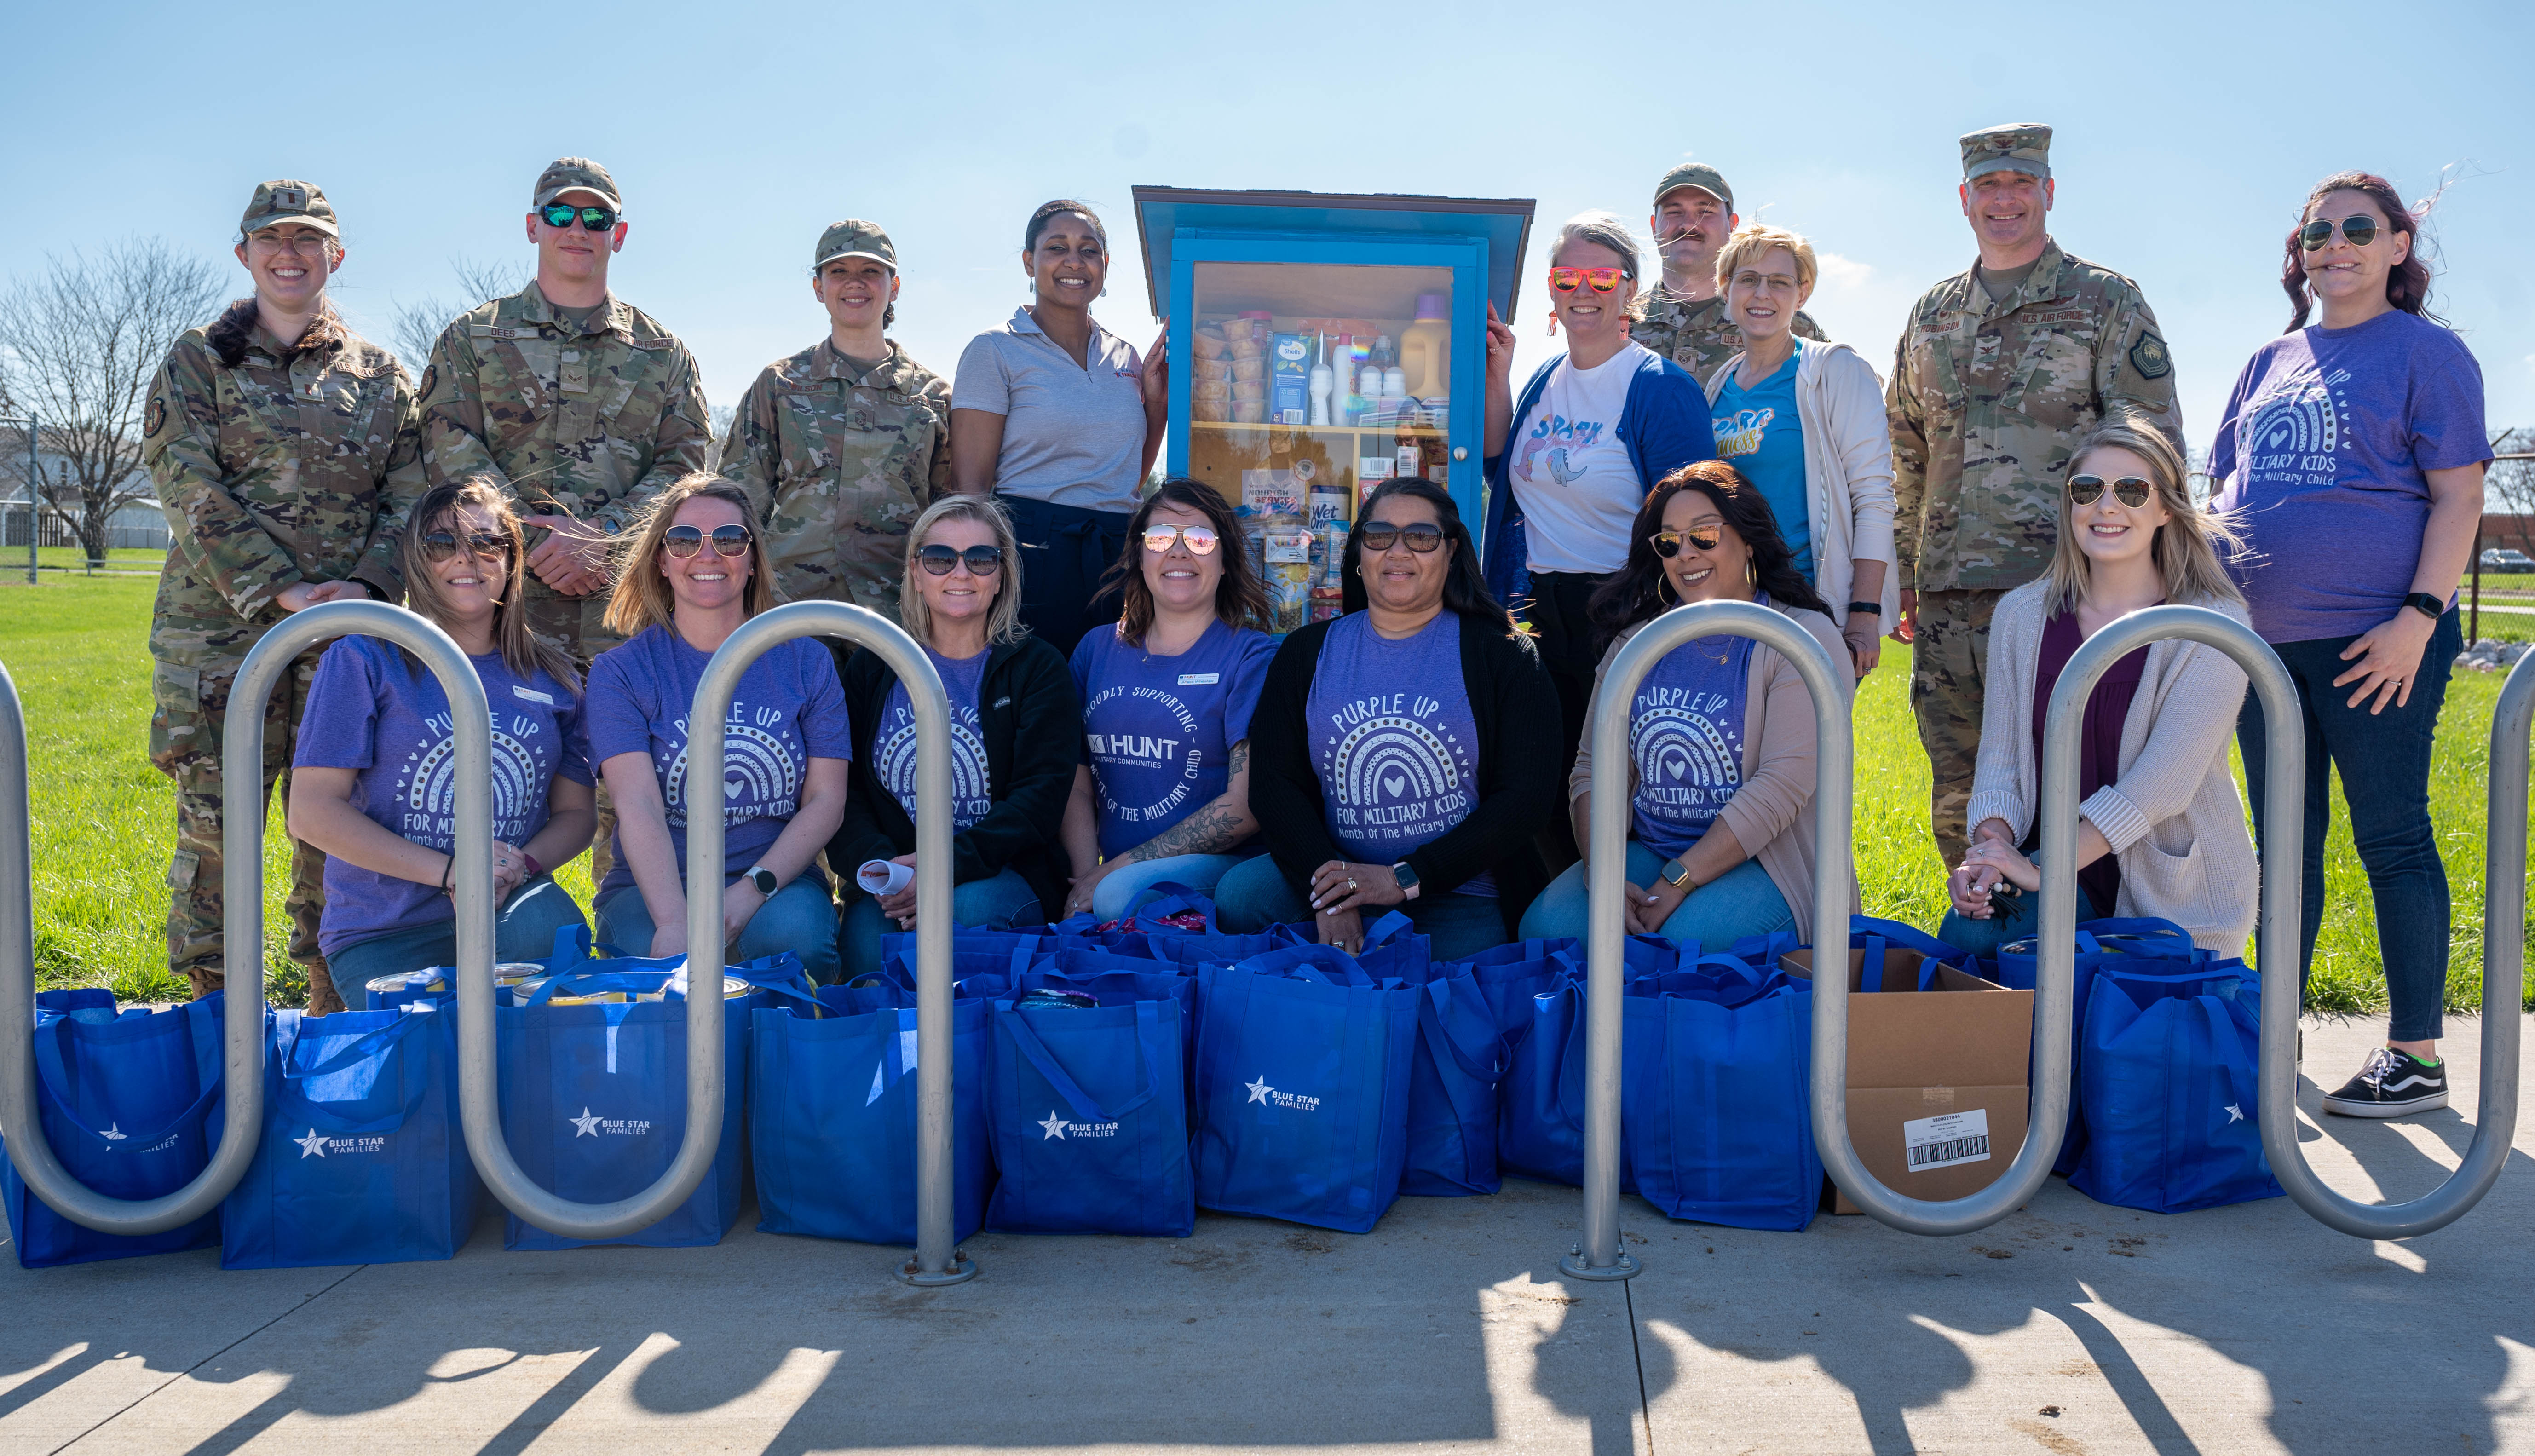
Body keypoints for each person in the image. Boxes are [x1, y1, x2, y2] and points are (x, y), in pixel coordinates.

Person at [2213, 171, 2492, 1118]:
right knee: (2282, 845)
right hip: (2262, 649)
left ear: (2397, 246)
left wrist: (2417, 617)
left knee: (2392, 835)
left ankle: (2415, 1055)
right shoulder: (2266, 362)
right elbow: (2221, 493)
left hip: (2378, 644)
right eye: (2316, 232)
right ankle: (2273, 1028)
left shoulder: (2427, 354)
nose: (2335, 244)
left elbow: (2458, 495)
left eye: (2357, 229)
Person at [142, 178, 421, 1011]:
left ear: (336, 256)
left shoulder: (379, 377)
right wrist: (281, 588)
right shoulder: (199, 360)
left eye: (309, 240)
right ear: (244, 255)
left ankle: (333, 1019)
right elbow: (184, 480)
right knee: (218, 834)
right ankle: (215, 1023)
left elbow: (410, 496)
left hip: (346, 642)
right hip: (222, 639)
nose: (290, 254)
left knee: (338, 841)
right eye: (273, 240)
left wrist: (366, 588)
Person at [1887, 123, 2183, 869]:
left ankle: (2076, 962)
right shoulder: (1932, 315)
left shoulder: (2103, 302)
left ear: (2048, 193)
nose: (2005, 199)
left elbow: (2150, 444)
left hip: (2067, 597)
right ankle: (1984, 954)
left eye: (2022, 183)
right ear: (1965, 199)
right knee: (1960, 797)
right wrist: (1900, 574)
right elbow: (1905, 452)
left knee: (2072, 787)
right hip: (1951, 602)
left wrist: (2128, 580)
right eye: (1989, 186)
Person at [1936, 417, 2256, 960]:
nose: (2106, 506)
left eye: (2131, 490)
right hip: (2053, 876)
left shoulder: (2213, 625)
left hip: (2162, 889)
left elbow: (2161, 785)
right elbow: (2000, 761)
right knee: (1970, 935)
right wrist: (1992, 853)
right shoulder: (2022, 614)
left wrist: (2042, 866)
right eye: (2087, 490)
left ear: (2164, 510)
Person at [1219, 479, 1562, 961]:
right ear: (1360, 553)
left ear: (1451, 552)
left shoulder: (1504, 656)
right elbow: (1275, 785)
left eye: (1421, 537)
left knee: (1442, 1013)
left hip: (1458, 890)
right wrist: (1331, 891)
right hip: (1338, 875)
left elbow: (1526, 798)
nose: (1397, 551)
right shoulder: (1305, 653)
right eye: (1379, 535)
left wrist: (1405, 878)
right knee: (1241, 895)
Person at [1520, 462, 1856, 947]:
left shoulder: (1802, 636)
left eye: (1703, 535)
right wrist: (1604, 873)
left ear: (1747, 539)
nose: (1685, 554)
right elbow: (1594, 769)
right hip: (1652, 849)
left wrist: (1678, 880)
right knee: (1547, 931)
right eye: (1668, 542)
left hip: (1766, 863)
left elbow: (1780, 787)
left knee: (1681, 942)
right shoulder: (1636, 642)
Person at [288, 481, 596, 992]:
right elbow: (313, 810)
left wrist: (517, 869)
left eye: (487, 543)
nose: (466, 559)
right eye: (442, 544)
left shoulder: (555, 677)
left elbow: (576, 815)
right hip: (387, 931)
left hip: (507, 914)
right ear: (416, 559)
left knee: (549, 929)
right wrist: (454, 871)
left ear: (512, 560)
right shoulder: (365, 659)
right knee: (431, 1064)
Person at [415, 157, 714, 663]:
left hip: (623, 615)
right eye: (560, 215)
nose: (578, 229)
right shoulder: (473, 338)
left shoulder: (661, 352)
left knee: (623, 742)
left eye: (595, 219)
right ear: (533, 227)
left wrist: (604, 536)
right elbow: (448, 449)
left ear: (617, 236)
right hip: (497, 611)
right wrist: (533, 540)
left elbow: (683, 469)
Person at [1480, 211, 1716, 820]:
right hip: (1536, 613)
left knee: (1617, 788)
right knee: (1542, 783)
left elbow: (1697, 523)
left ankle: (1622, 907)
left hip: (1625, 614)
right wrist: (1499, 378)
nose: (1582, 290)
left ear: (1629, 291)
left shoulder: (1658, 386)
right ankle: (1551, 912)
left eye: (1601, 278)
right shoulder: (1540, 380)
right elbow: (1502, 474)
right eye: (1566, 276)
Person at [585, 477, 849, 985]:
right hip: (656, 885)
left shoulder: (806, 661)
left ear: (752, 559)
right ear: (662, 560)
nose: (708, 556)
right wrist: (673, 920)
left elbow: (825, 802)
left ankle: (783, 1063)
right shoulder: (621, 672)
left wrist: (749, 893)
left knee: (794, 940)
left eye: (729, 540)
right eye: (685, 541)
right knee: (653, 961)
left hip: (776, 881)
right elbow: (636, 803)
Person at [830, 496, 1081, 981]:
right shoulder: (874, 665)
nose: (961, 574)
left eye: (981, 559)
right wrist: (887, 873)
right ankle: (890, 1059)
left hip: (1000, 875)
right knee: (867, 951)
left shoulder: (1038, 669)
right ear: (916, 573)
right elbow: (845, 793)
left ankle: (968, 1056)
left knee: (958, 917)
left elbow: (1039, 801)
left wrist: (940, 869)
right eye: (941, 558)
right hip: (892, 881)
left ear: (1002, 575)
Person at [949, 200, 1168, 656]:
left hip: (1118, 559)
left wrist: (1156, 399)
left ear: (1104, 266)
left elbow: (1129, 472)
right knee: (1038, 703)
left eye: (1089, 251)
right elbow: (970, 490)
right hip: (1031, 554)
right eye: (1056, 248)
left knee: (1107, 702)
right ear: (1029, 261)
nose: (1074, 261)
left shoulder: (1124, 356)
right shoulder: (994, 350)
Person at [1060, 479, 1279, 921]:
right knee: (1110, 898)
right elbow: (1075, 778)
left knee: (1119, 896)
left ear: (1224, 561)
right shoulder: (1095, 650)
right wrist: (1086, 876)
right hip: (1110, 881)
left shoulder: (1251, 656)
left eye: (1200, 539)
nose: (1179, 552)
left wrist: (1114, 871)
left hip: (1220, 870)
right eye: (1160, 538)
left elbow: (1246, 804)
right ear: (1141, 557)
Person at [719, 219, 951, 618]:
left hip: (898, 613)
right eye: (839, 271)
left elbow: (950, 516)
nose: (855, 283)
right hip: (791, 609)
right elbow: (738, 505)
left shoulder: (932, 397)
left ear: (894, 287)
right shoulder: (780, 384)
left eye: (871, 272)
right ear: (818, 287)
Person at [1702, 224, 1899, 677]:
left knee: (1804, 746)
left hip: (1810, 606)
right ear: (1725, 288)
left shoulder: (1833, 371)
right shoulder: (1715, 389)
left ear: (1802, 293)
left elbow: (1873, 497)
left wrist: (1864, 613)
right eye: (1748, 279)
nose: (1762, 294)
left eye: (1780, 281)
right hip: (1732, 605)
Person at [1632, 162, 1827, 379]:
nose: (1688, 224)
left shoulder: (1790, 323)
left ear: (1733, 225)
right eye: (1674, 212)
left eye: (1705, 211)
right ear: (1654, 226)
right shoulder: (1621, 322)